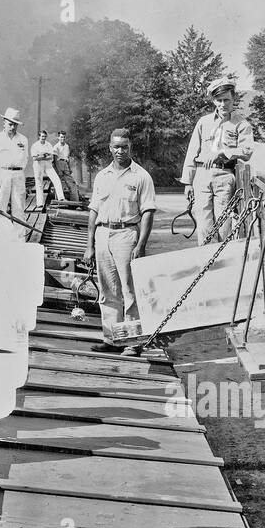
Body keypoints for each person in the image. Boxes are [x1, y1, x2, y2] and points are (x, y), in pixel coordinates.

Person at [82, 129, 156, 357]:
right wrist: (89, 245)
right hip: (103, 234)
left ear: (130, 147)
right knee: (107, 291)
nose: (120, 151)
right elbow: (93, 211)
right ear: (110, 148)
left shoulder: (141, 176)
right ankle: (112, 339)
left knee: (130, 291)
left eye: (124, 146)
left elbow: (148, 212)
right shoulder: (102, 175)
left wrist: (140, 245)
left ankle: (133, 343)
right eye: (116, 146)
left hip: (126, 235)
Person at [179, 78, 253, 244]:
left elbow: (247, 150)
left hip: (224, 176)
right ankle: (205, 262)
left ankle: (223, 263)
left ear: (233, 99)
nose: (222, 104)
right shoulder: (203, 122)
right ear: (213, 101)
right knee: (204, 225)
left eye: (226, 100)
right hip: (201, 176)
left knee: (224, 226)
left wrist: (223, 153)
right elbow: (192, 152)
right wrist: (187, 183)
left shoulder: (241, 124)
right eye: (218, 100)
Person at [0, 107, 29, 238]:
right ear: (4, 123)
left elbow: (26, 158)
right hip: (2, 174)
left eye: (15, 125)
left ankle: (20, 239)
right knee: (0, 206)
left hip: (18, 175)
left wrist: (19, 172)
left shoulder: (23, 139)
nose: (13, 127)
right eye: (10, 124)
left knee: (19, 207)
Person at [53, 129, 79, 201]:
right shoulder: (56, 147)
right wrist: (58, 170)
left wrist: (69, 168)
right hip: (59, 164)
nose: (63, 139)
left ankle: (75, 201)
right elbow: (55, 160)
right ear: (58, 138)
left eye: (64, 137)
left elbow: (67, 158)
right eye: (61, 137)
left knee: (72, 183)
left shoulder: (67, 146)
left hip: (66, 165)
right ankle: (59, 201)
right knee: (58, 183)